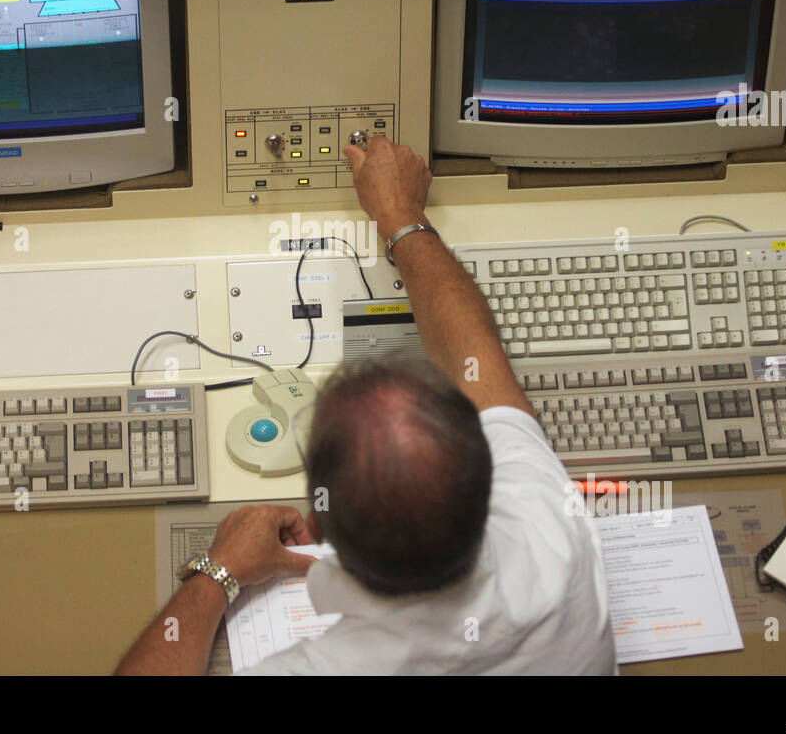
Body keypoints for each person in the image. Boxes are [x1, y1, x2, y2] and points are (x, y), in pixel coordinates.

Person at [114, 136, 615, 675]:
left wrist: (218, 572)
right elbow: (474, 353)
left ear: (318, 528)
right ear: (489, 478)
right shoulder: (551, 525)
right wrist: (401, 215)